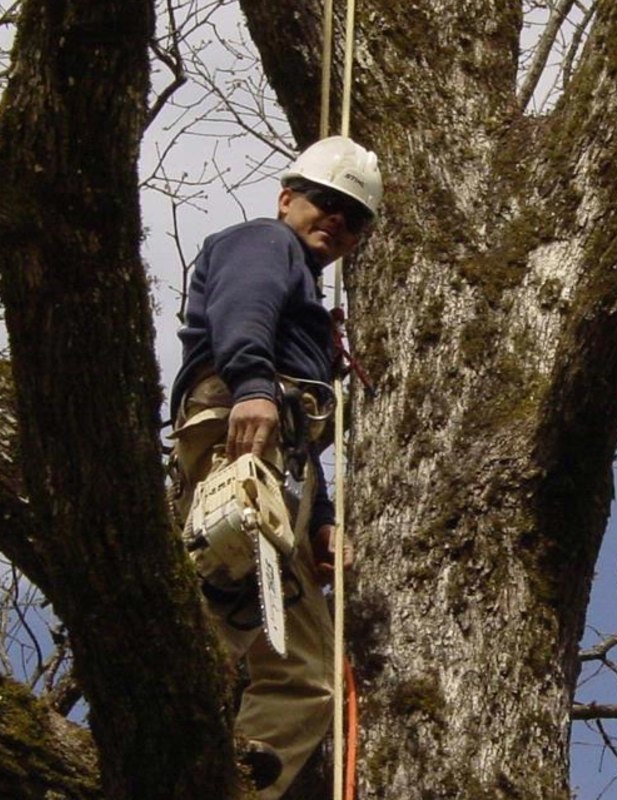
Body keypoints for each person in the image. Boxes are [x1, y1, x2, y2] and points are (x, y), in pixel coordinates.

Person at [167, 135, 381, 796]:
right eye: (326, 201)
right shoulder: (264, 243)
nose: (338, 220)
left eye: (355, 216)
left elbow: (303, 445)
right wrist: (255, 384)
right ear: (287, 198)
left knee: (307, 674)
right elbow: (242, 308)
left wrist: (319, 520)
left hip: (279, 467)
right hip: (240, 435)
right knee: (216, 606)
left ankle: (231, 785)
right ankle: (169, 749)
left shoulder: (309, 306)